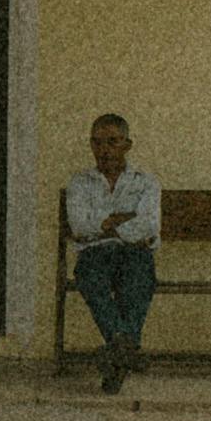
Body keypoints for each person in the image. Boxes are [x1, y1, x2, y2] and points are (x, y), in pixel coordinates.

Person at [64, 111, 163, 393]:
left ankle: (117, 351)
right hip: (95, 253)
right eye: (97, 143)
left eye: (112, 142)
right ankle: (126, 348)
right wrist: (120, 220)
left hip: (134, 253)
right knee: (90, 278)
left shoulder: (146, 182)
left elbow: (150, 225)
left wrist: (105, 224)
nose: (104, 150)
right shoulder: (80, 183)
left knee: (139, 280)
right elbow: (79, 225)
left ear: (127, 144)